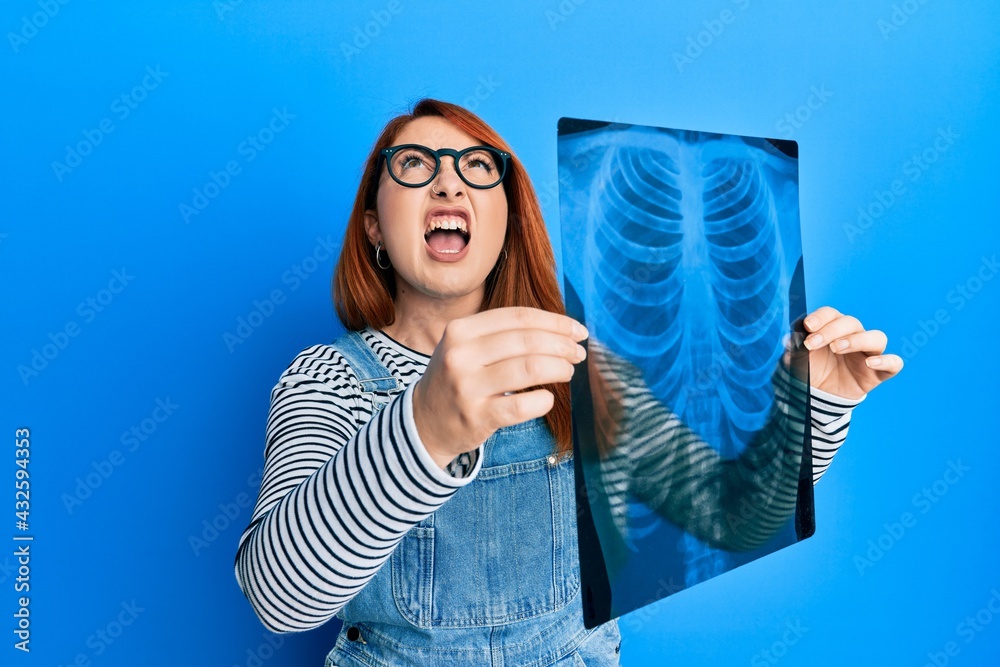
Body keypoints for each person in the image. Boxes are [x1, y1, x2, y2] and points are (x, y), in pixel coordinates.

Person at [234, 98, 902, 667]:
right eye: (413, 165)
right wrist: (423, 429)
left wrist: (816, 401)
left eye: (477, 167)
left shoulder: (583, 368)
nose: (448, 185)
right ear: (374, 225)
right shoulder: (328, 379)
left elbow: (729, 512)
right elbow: (278, 597)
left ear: (507, 221)